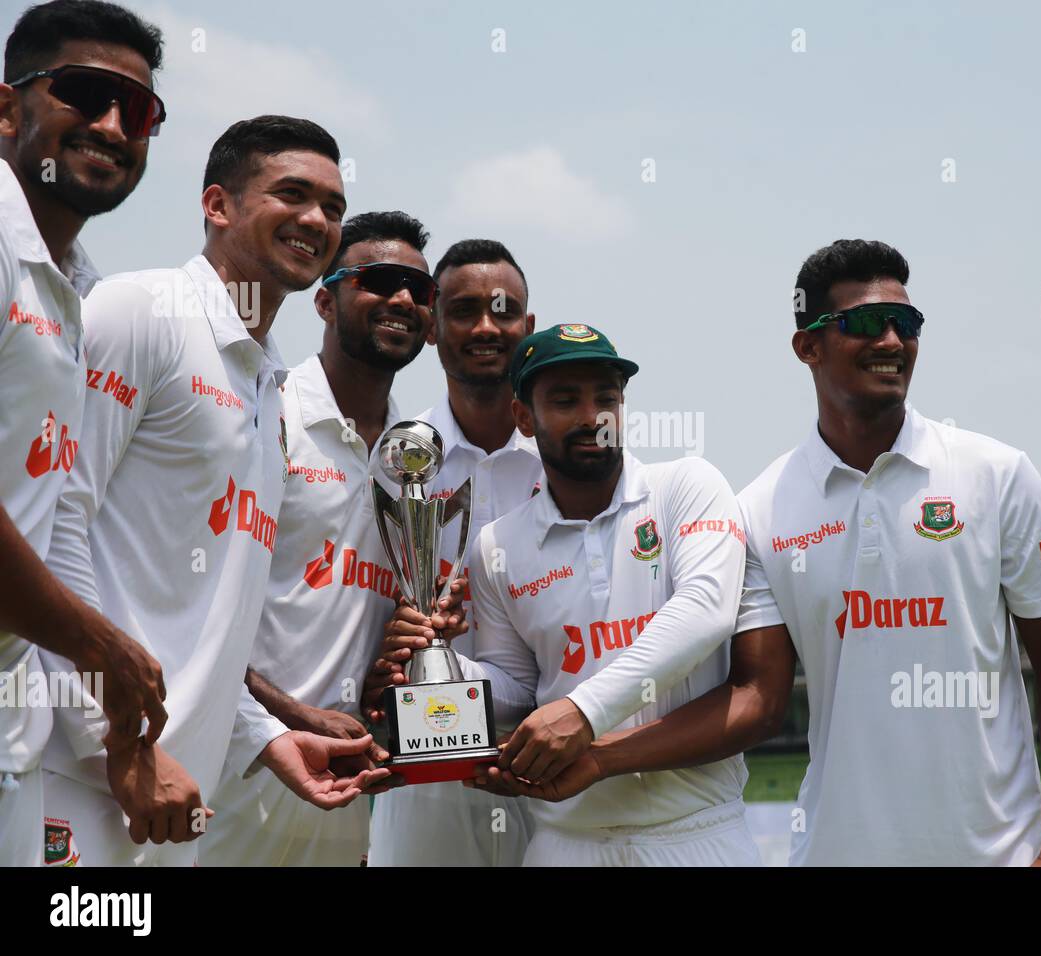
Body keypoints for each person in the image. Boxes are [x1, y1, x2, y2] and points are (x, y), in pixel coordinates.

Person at [40, 115, 387, 866]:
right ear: (217, 205)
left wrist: (264, 739)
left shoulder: (269, 380)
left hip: (175, 796)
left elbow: (206, 618)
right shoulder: (140, 312)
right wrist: (122, 743)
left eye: (333, 206)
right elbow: (54, 522)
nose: (316, 219)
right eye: (291, 193)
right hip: (76, 778)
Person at [734, 239, 1041, 865]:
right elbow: (757, 700)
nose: (892, 343)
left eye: (906, 324)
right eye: (867, 324)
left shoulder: (996, 473)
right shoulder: (759, 510)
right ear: (808, 347)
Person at [383, 323, 762, 866]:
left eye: (606, 398)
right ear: (523, 417)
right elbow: (517, 691)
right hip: (566, 842)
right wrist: (438, 667)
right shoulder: (498, 545)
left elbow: (705, 613)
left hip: (697, 834)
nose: (591, 418)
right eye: (564, 401)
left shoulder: (686, 486)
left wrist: (583, 713)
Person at [199, 211, 445, 866]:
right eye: (379, 280)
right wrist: (292, 715)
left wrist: (403, 664)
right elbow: (185, 599)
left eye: (419, 291)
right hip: (231, 767)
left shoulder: (415, 458)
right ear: (326, 299)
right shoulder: (261, 413)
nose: (401, 300)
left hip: (344, 784)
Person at [0, 0, 169, 867]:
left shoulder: (75, 290)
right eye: (82, 93)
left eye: (136, 111)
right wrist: (98, 646)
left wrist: (118, 723)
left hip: (15, 737)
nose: (111, 125)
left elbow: (55, 514)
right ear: (6, 108)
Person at [365, 239, 542, 867]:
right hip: (426, 767)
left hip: (550, 763)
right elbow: (363, 603)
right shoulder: (397, 459)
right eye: (464, 310)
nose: (486, 326)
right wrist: (392, 640)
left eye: (503, 309)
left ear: (530, 324)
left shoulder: (571, 463)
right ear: (434, 326)